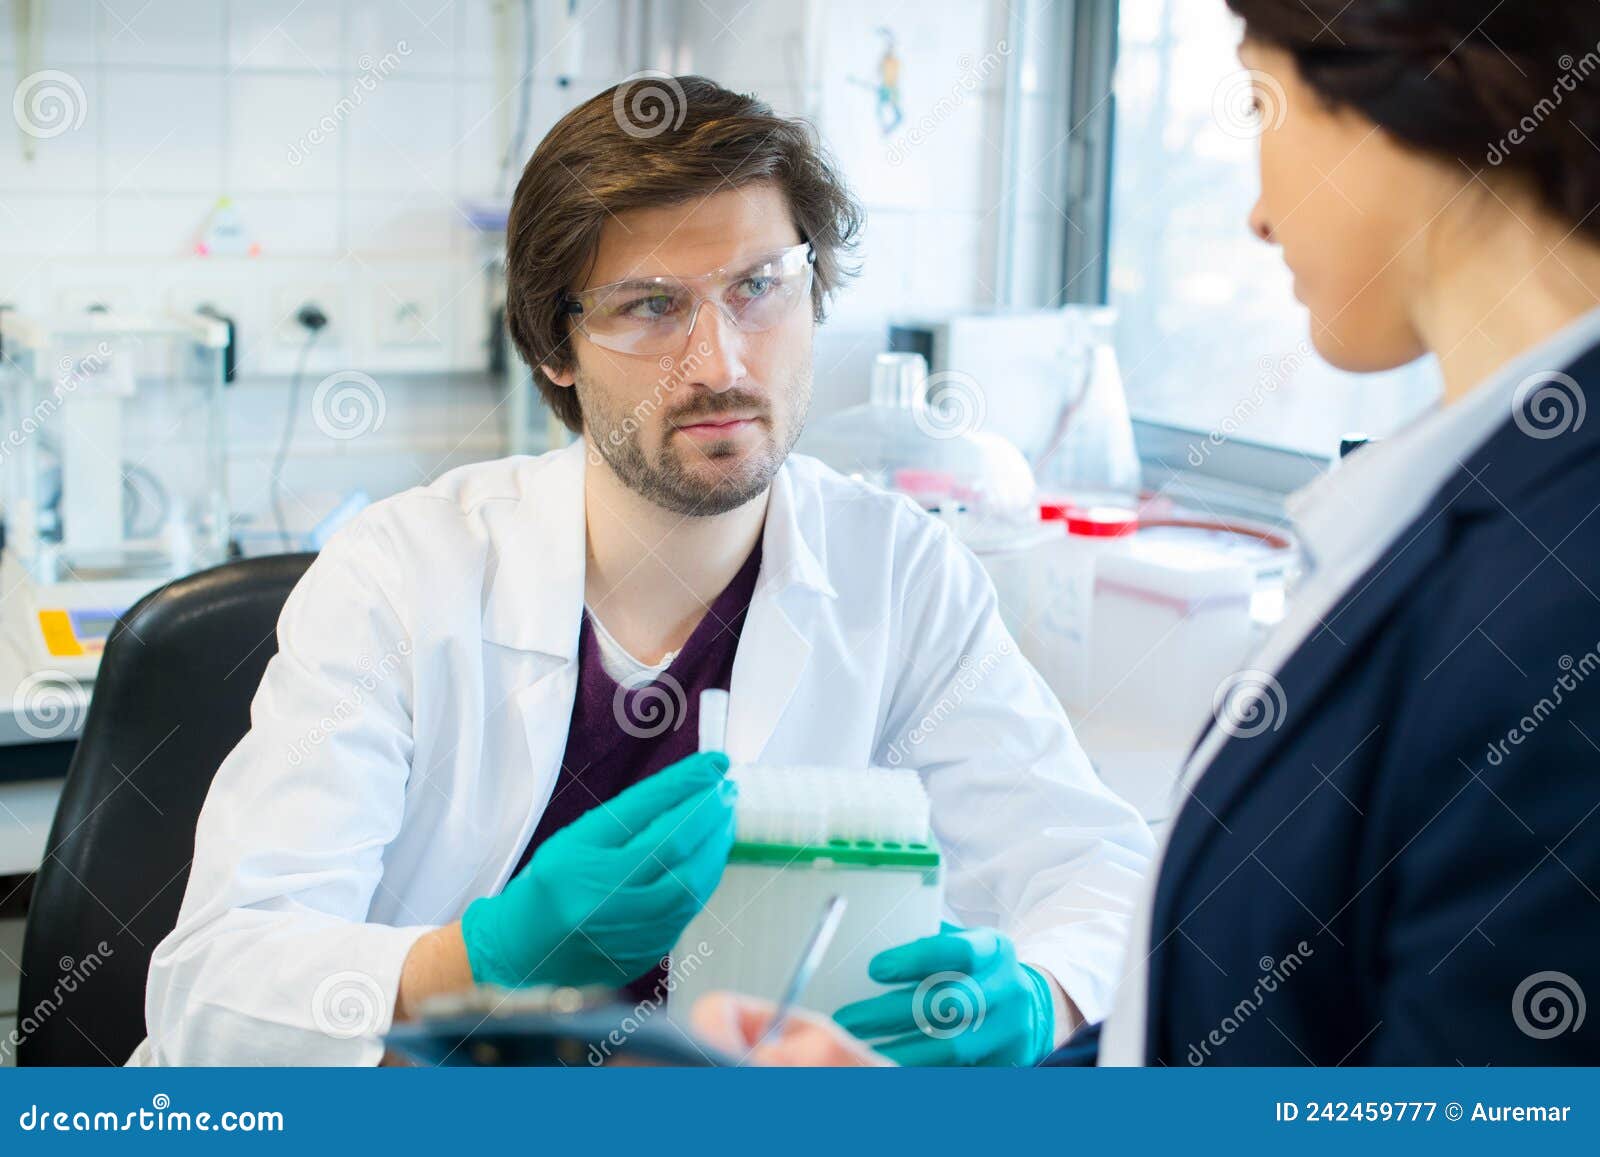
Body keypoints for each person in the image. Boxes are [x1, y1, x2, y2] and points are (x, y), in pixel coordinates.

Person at [130, 76, 1153, 1066]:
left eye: (759, 287)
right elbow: (213, 990)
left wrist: (1042, 996)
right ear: (556, 347)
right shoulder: (399, 576)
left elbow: (1100, 875)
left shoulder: (901, 573)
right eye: (651, 306)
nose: (722, 364)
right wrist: (476, 963)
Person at [703, 0, 1600, 1068]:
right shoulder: (1484, 515)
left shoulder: (1556, 593)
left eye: (1260, 102)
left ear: (1408, 79)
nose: (1259, 214)